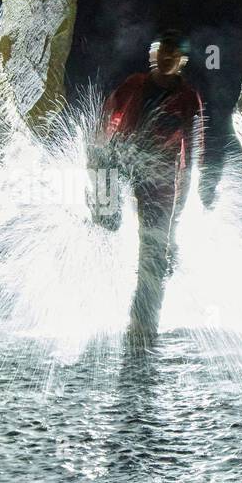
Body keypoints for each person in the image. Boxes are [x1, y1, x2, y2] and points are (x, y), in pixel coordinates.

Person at [95, 29, 207, 345]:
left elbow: (195, 143)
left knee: (155, 249)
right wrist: (102, 157)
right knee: (104, 217)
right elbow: (107, 120)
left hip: (160, 176)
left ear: (182, 61)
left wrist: (193, 186)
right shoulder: (133, 85)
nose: (165, 58)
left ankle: (143, 323)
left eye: (172, 54)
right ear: (152, 55)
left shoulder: (187, 98)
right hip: (124, 162)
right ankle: (95, 287)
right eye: (160, 52)